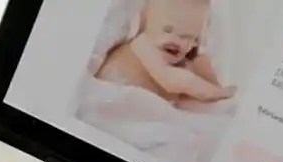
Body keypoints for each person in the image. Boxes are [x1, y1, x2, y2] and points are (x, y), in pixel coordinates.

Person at [94, 0, 236, 111]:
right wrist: (216, 92)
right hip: (112, 96)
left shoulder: (180, 62)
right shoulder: (142, 45)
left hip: (144, 110)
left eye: (192, 38)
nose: (180, 43)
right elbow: (174, 81)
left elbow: (187, 98)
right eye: (169, 30)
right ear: (144, 24)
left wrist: (202, 64)